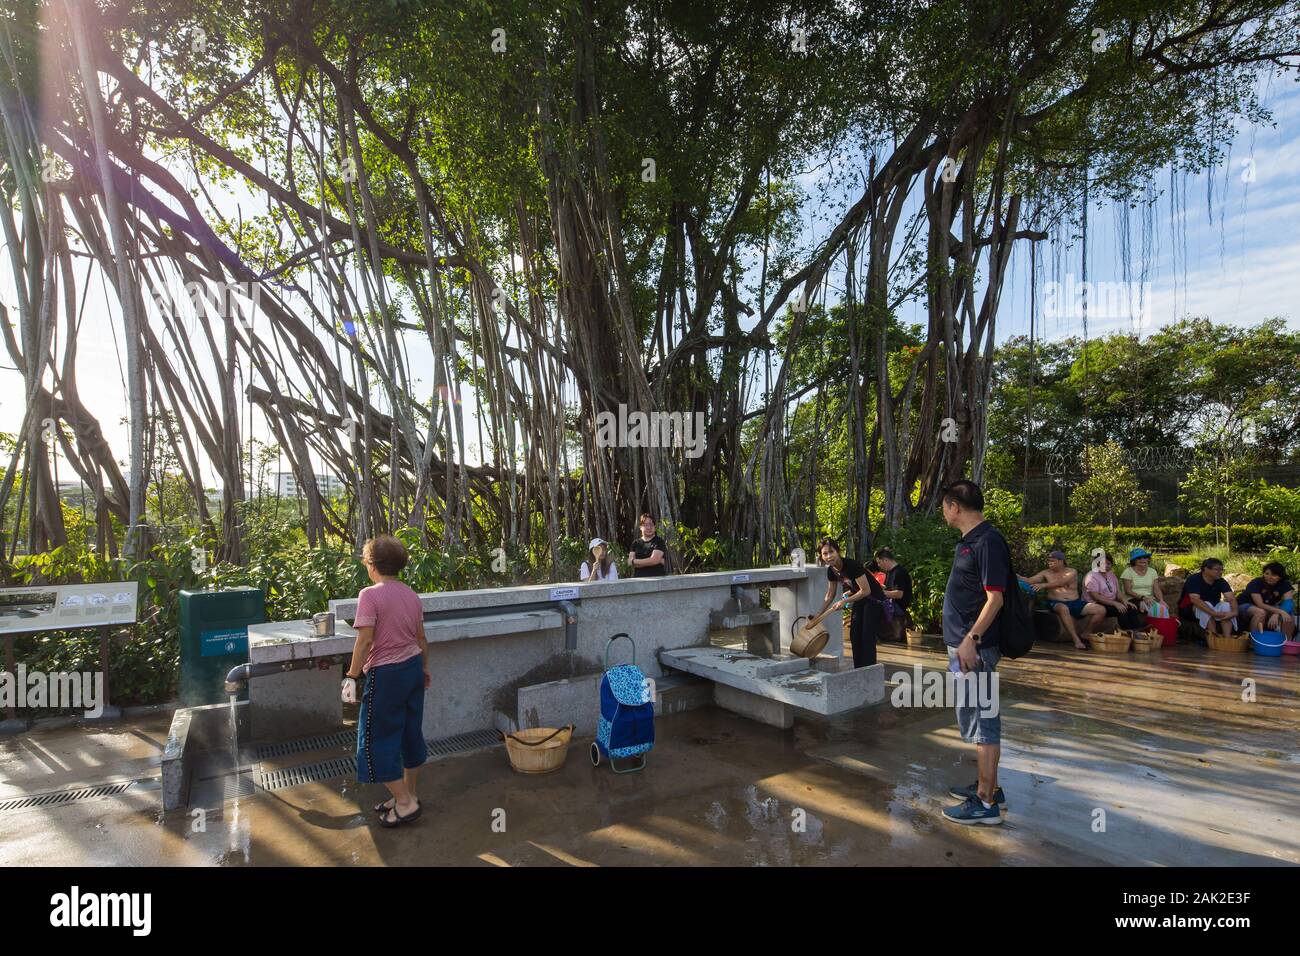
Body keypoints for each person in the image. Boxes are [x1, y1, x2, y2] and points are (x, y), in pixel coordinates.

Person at [343, 534, 429, 828]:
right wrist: (424, 669)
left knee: (375, 740)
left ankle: (405, 803)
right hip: (413, 668)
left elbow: (365, 640)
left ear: (372, 564)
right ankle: (408, 795)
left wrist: (352, 676)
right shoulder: (410, 594)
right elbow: (420, 638)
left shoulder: (370, 594)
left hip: (387, 675)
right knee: (409, 733)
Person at [938, 479, 1009, 826]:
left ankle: (985, 802)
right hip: (963, 648)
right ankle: (989, 788)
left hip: (973, 649)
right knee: (976, 720)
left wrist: (971, 639)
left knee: (984, 724)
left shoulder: (987, 541)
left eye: (944, 506)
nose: (943, 512)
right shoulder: (973, 541)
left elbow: (996, 598)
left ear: (955, 506)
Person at [816, 538, 886, 668]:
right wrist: (818, 614)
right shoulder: (831, 571)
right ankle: (859, 668)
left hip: (874, 599)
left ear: (838, 551)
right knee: (854, 635)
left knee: (867, 636)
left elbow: (866, 590)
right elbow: (830, 595)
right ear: (821, 556)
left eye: (831, 552)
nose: (829, 556)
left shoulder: (851, 565)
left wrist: (844, 601)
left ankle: (869, 669)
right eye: (825, 554)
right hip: (861, 599)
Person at [1019, 551, 1105, 649]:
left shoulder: (1072, 571)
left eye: (1052, 561)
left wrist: (1044, 585)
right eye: (1048, 561)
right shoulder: (1045, 573)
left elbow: (1062, 582)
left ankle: (1086, 633)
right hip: (1056, 602)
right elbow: (1030, 580)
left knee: (1101, 610)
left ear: (1061, 561)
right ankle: (1076, 639)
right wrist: (1019, 577)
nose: (1049, 563)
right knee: (1063, 608)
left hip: (1075, 602)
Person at [1178, 558, 1238, 640]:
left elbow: (1231, 598)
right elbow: (1195, 600)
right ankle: (1214, 637)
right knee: (1207, 604)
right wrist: (1213, 613)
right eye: (1216, 569)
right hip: (1190, 608)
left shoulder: (1220, 581)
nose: (1220, 572)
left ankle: (1227, 638)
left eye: (1221, 570)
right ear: (1206, 569)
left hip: (1213, 606)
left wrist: (1234, 612)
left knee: (1227, 606)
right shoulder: (1194, 579)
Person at [1083, 551, 1144, 629]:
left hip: (1110, 602)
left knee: (1132, 608)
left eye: (1108, 564)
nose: (1106, 566)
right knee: (1121, 610)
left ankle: (1137, 631)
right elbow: (1096, 597)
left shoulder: (1110, 574)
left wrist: (1124, 601)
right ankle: (1128, 632)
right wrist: (1115, 604)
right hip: (1096, 603)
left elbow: (1118, 591)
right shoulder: (1091, 576)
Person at [1239, 562, 1296, 637]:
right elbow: (1260, 604)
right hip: (1245, 605)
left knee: (1288, 615)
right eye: (1267, 573)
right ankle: (1253, 641)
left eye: (1274, 575)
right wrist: (1279, 611)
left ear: (1280, 577)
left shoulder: (1285, 584)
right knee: (1260, 613)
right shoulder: (1256, 582)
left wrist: (1277, 614)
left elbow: (1288, 602)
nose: (1269, 577)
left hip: (1268, 607)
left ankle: (1286, 643)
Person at [875, 547, 914, 641]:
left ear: (886, 560)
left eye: (879, 562)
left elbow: (898, 594)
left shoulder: (899, 572)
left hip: (898, 606)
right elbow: (889, 588)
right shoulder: (890, 572)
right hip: (892, 604)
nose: (879, 565)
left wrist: (880, 592)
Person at [1119, 548, 1170, 618]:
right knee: (1158, 610)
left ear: (1148, 559)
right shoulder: (1128, 572)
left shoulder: (1152, 571)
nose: (1143, 560)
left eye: (1145, 557)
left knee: (1163, 607)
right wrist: (1143, 598)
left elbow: (1156, 589)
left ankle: (1159, 627)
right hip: (1132, 599)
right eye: (1139, 558)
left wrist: (1161, 600)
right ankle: (1157, 627)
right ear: (1134, 561)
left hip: (1149, 599)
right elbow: (1128, 591)